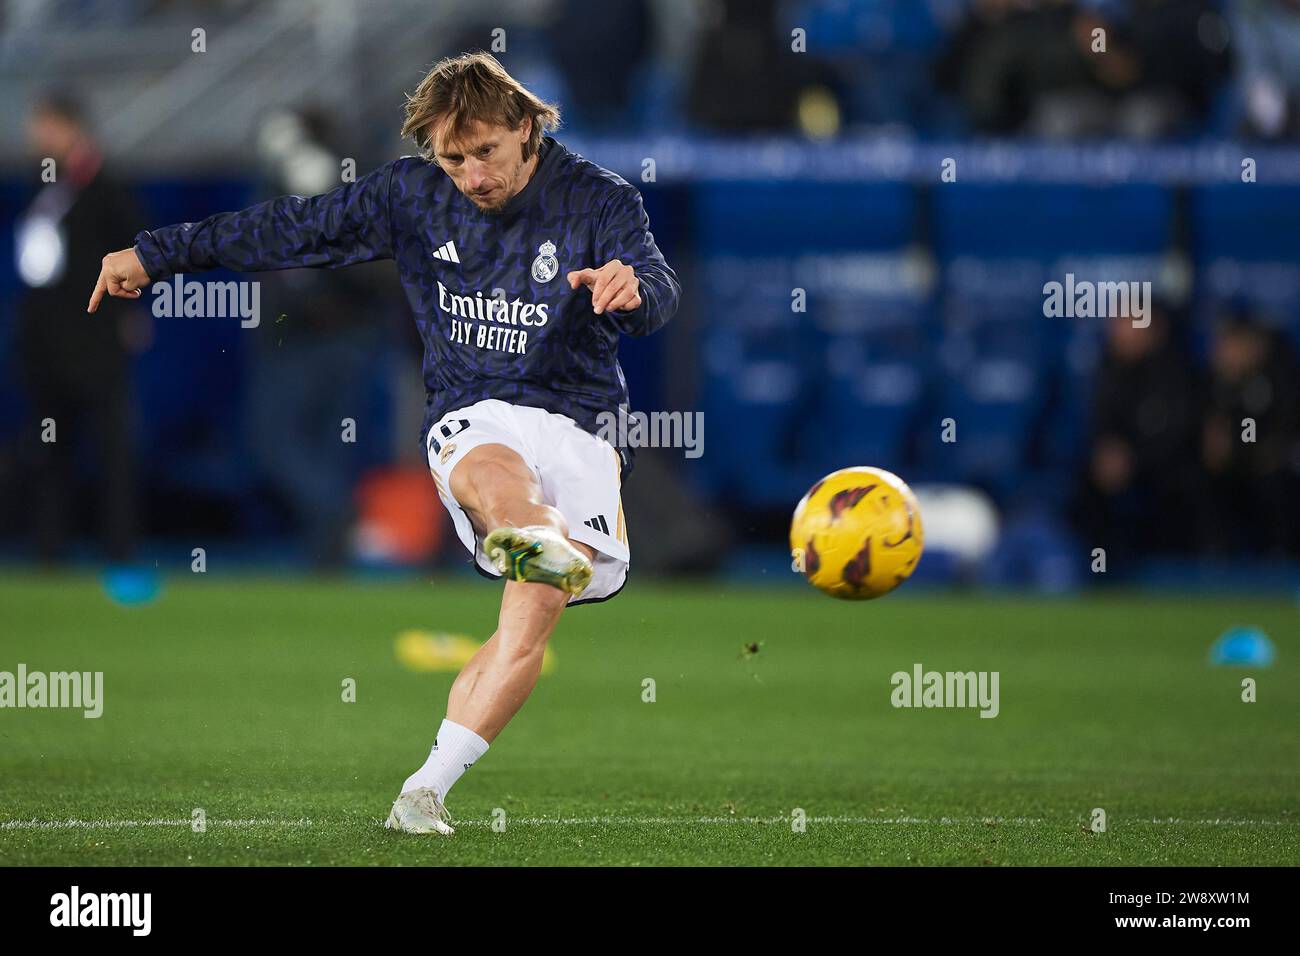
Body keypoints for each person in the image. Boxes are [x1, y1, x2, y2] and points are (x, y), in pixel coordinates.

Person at [86, 52, 681, 835]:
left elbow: (658, 289)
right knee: (495, 465)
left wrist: (633, 291)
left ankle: (425, 789)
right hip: (475, 407)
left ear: (528, 129)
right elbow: (287, 228)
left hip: (579, 421)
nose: (469, 175)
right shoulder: (411, 194)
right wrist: (156, 253)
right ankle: (530, 532)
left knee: (528, 622)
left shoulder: (600, 199)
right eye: (452, 157)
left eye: (486, 154)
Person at [17, 90, 143, 564]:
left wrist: (130, 315)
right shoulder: (42, 185)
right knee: (50, 450)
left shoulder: (106, 186)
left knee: (112, 452)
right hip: (46, 344)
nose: (35, 137)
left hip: (94, 342)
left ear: (70, 126)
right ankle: (49, 554)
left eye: (44, 125)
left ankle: (120, 552)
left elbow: (137, 252)